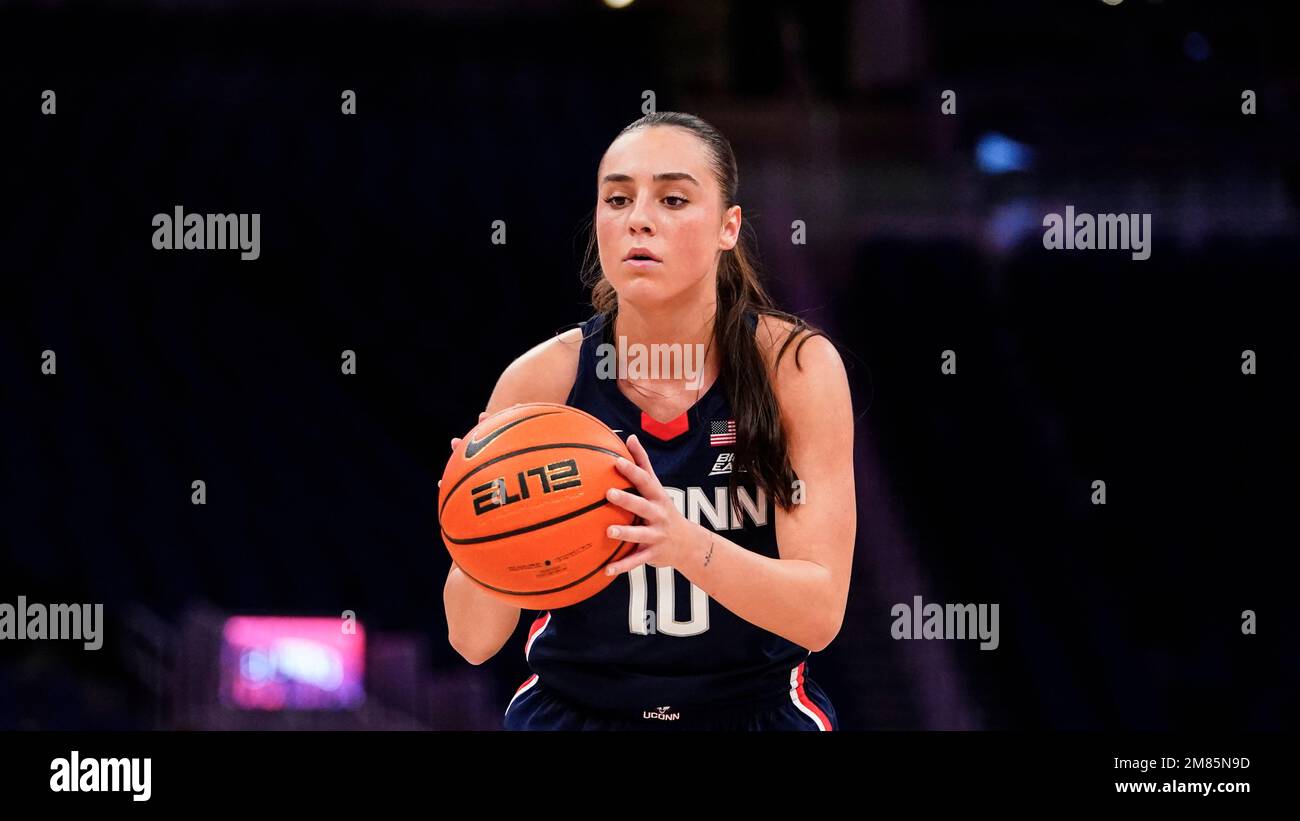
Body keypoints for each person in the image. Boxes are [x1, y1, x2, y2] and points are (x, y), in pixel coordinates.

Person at [443, 111, 856, 730]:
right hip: (577, 711)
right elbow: (471, 640)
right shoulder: (541, 382)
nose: (638, 217)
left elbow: (819, 615)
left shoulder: (795, 368)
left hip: (753, 712)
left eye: (672, 197)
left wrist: (684, 543)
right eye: (617, 198)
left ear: (727, 227)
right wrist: (479, 511)